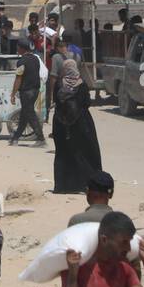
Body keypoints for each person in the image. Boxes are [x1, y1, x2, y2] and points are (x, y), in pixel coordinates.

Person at [51, 40, 101, 194]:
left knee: (63, 153)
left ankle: (63, 186)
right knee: (85, 152)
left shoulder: (60, 85)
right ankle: (87, 184)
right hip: (81, 122)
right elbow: (86, 103)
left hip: (61, 123)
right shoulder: (81, 85)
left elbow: (56, 101)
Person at [8, 36, 45, 145]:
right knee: (25, 114)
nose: (17, 49)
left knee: (29, 114)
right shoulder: (36, 59)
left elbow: (18, 78)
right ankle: (15, 138)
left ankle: (40, 138)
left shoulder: (21, 61)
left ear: (22, 48)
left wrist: (13, 94)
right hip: (35, 90)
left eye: (18, 47)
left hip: (26, 91)